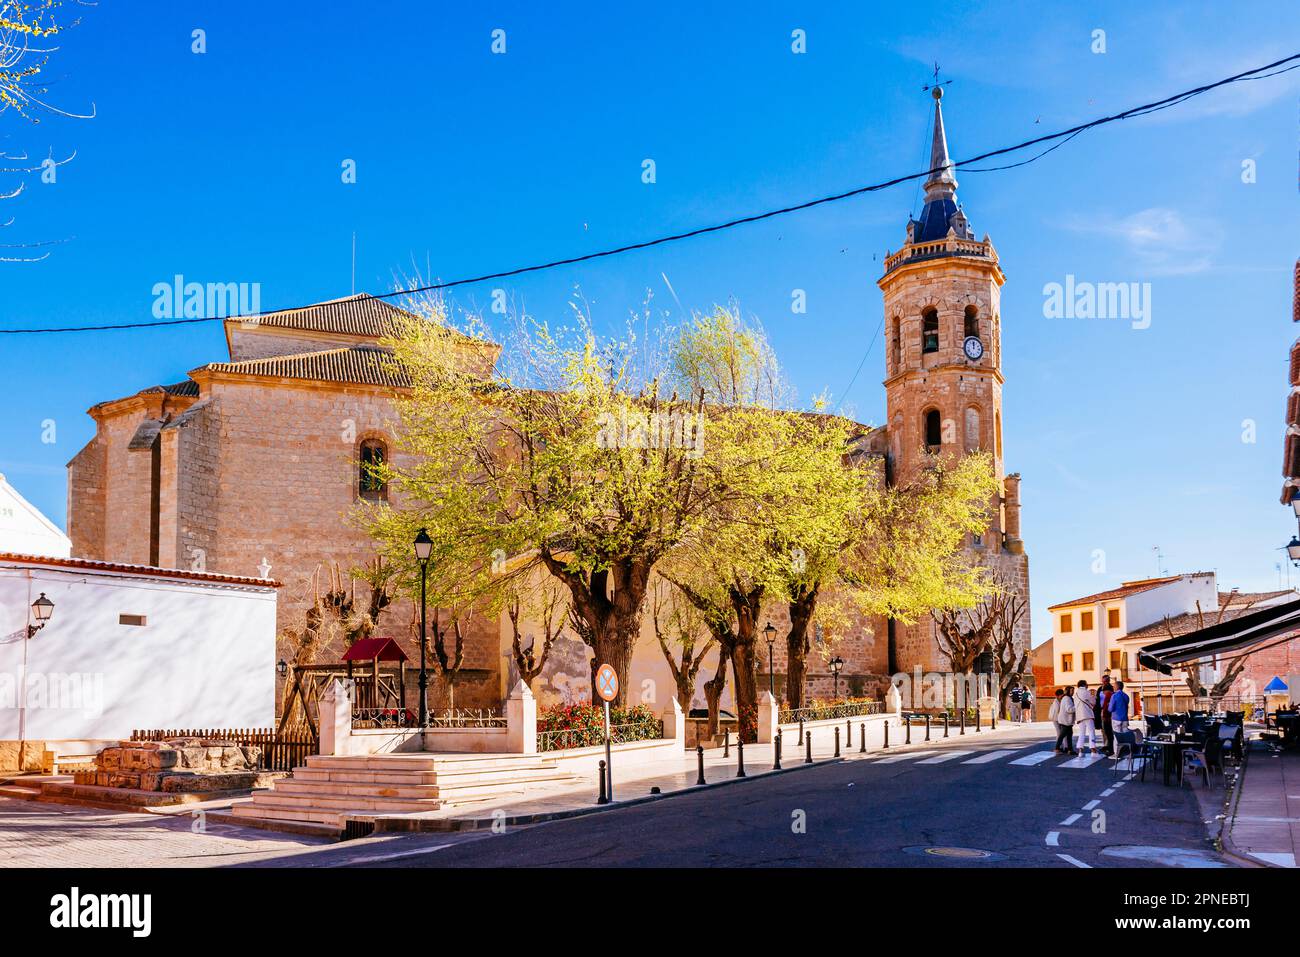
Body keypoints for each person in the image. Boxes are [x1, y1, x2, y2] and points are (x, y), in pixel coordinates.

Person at [1074, 679, 1097, 754]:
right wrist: (1094, 696)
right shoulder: (1087, 692)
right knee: (1091, 731)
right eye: (1087, 684)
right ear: (1084, 685)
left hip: (1079, 715)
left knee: (1081, 732)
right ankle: (1093, 748)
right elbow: (1093, 702)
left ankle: (1080, 748)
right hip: (1087, 714)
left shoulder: (1076, 693)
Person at [1097, 674, 1115, 755]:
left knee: (1109, 730)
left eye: (1105, 681)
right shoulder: (1100, 689)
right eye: (1103, 681)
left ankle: (1109, 745)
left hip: (1108, 711)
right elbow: (1097, 699)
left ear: (1108, 681)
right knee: (1103, 729)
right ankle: (1105, 744)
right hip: (1101, 710)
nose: (1104, 682)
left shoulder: (1111, 688)